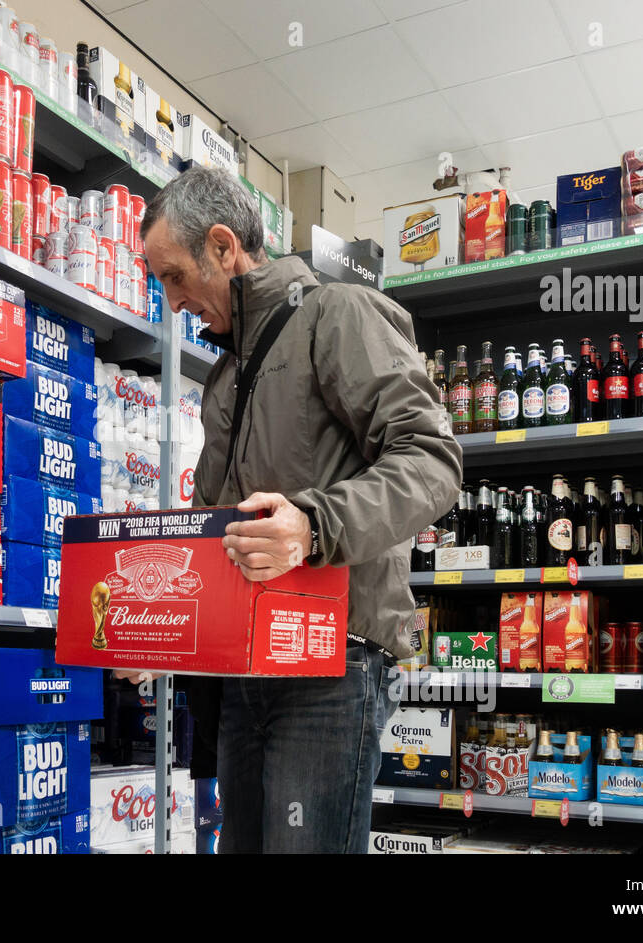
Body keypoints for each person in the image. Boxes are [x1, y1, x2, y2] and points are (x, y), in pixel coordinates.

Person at [135, 167, 461, 853]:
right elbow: (214, 531)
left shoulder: (338, 315)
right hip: (243, 672)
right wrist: (156, 630)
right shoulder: (224, 379)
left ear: (223, 247)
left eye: (172, 277)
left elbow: (433, 460)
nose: (170, 303)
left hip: (330, 668)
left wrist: (313, 525)